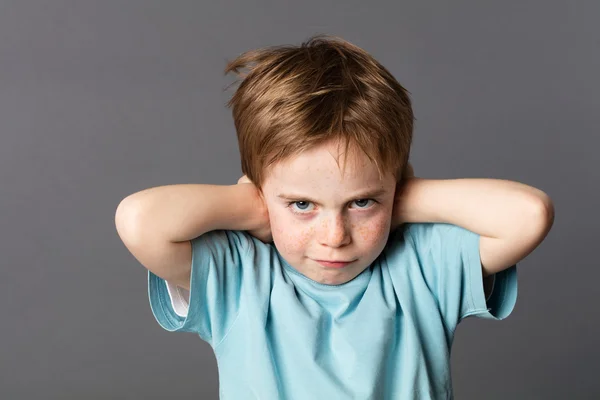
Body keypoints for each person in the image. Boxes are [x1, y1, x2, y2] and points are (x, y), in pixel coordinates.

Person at [115, 34, 554, 399]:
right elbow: (139, 220)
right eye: (302, 205)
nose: (335, 235)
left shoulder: (422, 266)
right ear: (262, 195)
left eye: (361, 203)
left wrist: (400, 196)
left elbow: (528, 214)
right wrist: (252, 205)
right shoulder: (239, 277)